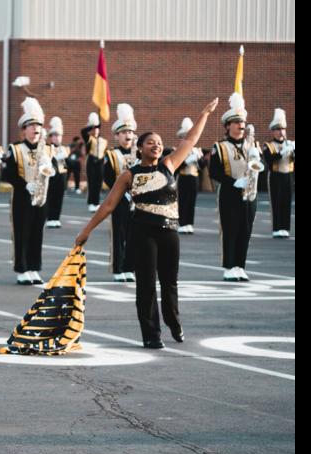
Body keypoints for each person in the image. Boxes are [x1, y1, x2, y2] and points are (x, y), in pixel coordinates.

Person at [74, 97, 220, 350]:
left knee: (170, 282)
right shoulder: (130, 175)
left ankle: (173, 322)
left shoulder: (168, 165)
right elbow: (108, 205)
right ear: (140, 148)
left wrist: (204, 114)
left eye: (160, 143)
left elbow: (190, 141)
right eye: (151, 142)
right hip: (143, 234)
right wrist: (85, 231)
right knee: (145, 285)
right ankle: (151, 334)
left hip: (169, 232)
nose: (156, 146)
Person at [0, 97, 54, 285]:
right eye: (31, 125)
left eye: (38, 125)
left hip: (41, 197)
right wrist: (24, 185)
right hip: (22, 198)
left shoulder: (47, 149)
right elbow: (7, 175)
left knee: (37, 233)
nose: (35, 129)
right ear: (24, 129)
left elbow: (54, 172)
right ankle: (22, 269)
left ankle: (34, 268)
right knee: (22, 232)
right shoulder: (15, 149)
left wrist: (48, 166)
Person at [205, 92, 260, 281]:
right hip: (230, 192)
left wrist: (256, 157)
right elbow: (214, 172)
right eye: (236, 122)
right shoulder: (219, 147)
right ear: (228, 126)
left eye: (242, 122)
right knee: (230, 229)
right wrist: (235, 182)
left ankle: (240, 266)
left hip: (250, 193)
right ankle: (229, 266)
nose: (241, 125)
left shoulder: (252, 145)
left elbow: (262, 167)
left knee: (245, 229)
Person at [103, 103, 139, 282]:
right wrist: (122, 191)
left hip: (137, 200)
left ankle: (129, 268)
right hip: (118, 200)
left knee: (134, 237)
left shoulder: (139, 154)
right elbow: (108, 176)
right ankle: (118, 269)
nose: (127, 135)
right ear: (117, 135)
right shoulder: (111, 154)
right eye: (123, 132)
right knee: (119, 235)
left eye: (130, 132)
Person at [171, 116, 208, 235]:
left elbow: (202, 167)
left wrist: (200, 160)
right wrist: (187, 161)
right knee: (182, 201)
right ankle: (182, 223)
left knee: (191, 202)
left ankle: (189, 224)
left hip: (194, 177)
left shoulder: (196, 150)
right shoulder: (178, 150)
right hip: (183, 177)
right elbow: (175, 167)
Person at [266, 108, 293, 238]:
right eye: (278, 129)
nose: (281, 132)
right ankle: (276, 228)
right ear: (273, 131)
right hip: (275, 175)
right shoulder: (269, 145)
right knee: (276, 202)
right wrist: (282, 152)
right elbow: (269, 159)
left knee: (286, 202)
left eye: (282, 129)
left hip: (288, 175)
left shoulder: (290, 144)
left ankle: (285, 228)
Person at [44, 115, 69, 229]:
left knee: (59, 198)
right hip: (52, 177)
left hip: (62, 177)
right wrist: (54, 158)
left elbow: (67, 165)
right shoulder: (47, 148)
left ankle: (56, 218)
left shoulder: (65, 149)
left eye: (58, 135)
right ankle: (50, 218)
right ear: (51, 137)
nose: (56, 138)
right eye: (54, 135)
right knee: (51, 197)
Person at [84, 112, 105, 211]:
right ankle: (91, 203)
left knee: (98, 183)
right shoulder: (89, 138)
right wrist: (91, 125)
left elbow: (105, 152)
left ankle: (96, 202)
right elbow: (83, 132)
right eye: (94, 129)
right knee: (92, 182)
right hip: (91, 161)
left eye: (97, 128)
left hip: (100, 162)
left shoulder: (104, 141)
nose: (95, 130)